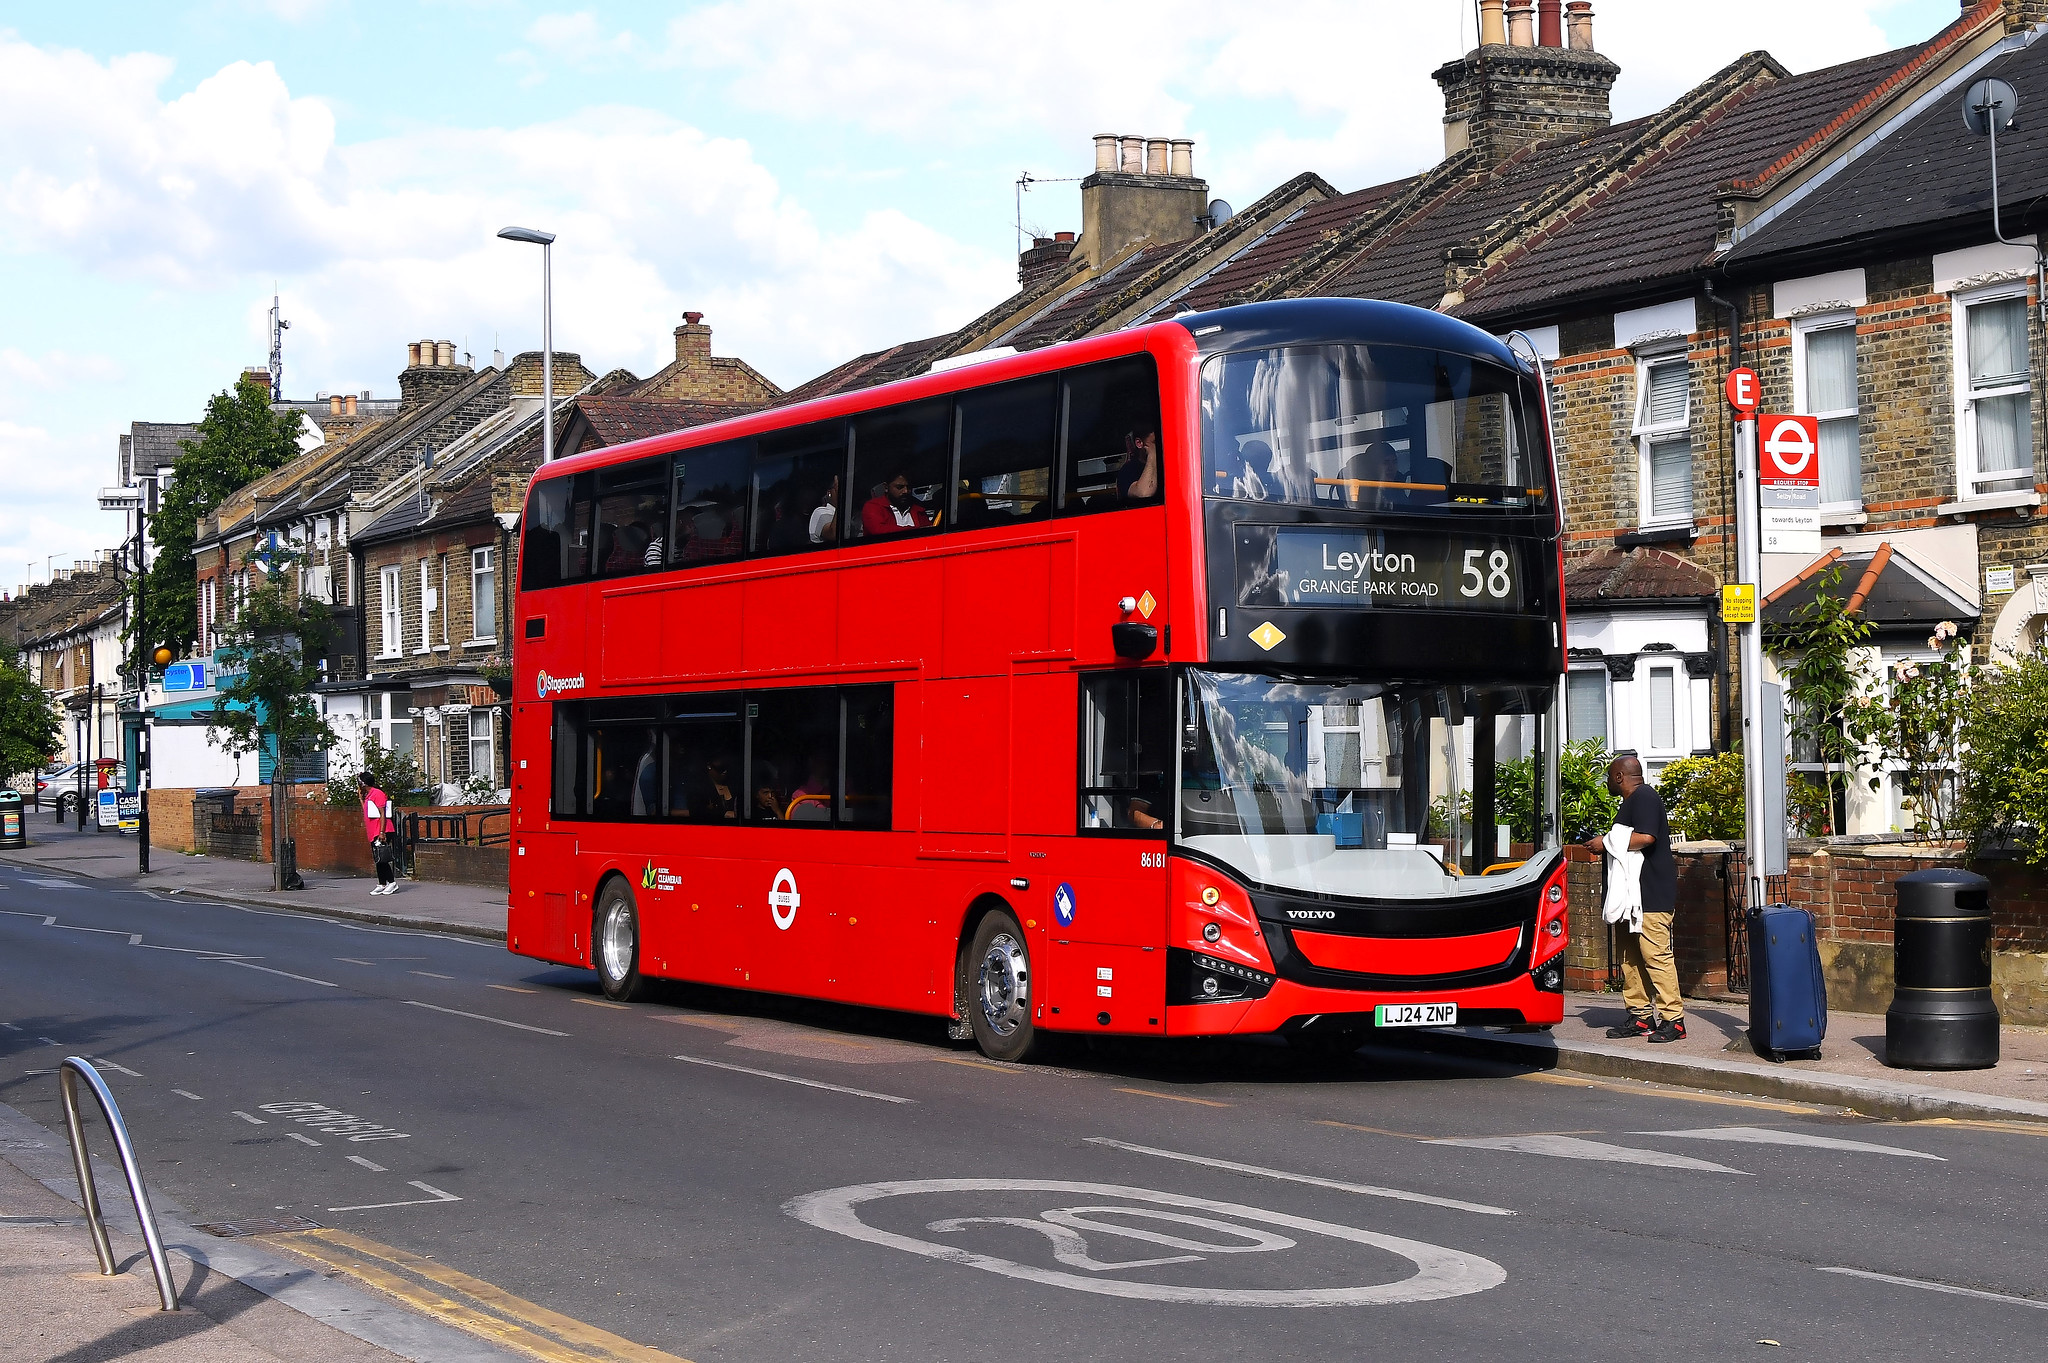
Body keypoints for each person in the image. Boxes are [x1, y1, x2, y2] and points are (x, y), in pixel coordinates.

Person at [1581, 754, 1683, 1042]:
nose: (1607, 782)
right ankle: (1640, 1016)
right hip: (1631, 897)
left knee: (1656, 956)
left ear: (1619, 777)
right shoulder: (1632, 802)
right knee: (1629, 957)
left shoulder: (1645, 797)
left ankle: (1674, 1020)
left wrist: (1605, 842)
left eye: (1608, 776)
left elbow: (1647, 837)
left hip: (1651, 895)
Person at [359, 772, 400, 897]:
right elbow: (367, 811)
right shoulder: (369, 795)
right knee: (378, 858)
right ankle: (382, 883)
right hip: (373, 831)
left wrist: (382, 832)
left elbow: (383, 813)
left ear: (363, 783)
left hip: (382, 830)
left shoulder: (377, 794)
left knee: (382, 858)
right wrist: (361, 798)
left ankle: (392, 882)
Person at [862, 470, 933, 536]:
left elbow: (929, 534)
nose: (905, 491)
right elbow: (878, 531)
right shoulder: (873, 506)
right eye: (899, 487)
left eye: (908, 487)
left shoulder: (918, 509)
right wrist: (915, 530)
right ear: (886, 487)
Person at [1116, 429, 1161, 501]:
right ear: (1139, 443)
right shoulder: (1127, 471)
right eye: (1155, 442)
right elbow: (1144, 493)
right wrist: (1152, 454)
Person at [809, 476, 840, 545]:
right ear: (829, 493)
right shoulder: (820, 512)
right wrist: (841, 501)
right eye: (838, 488)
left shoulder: (853, 513)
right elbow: (833, 534)